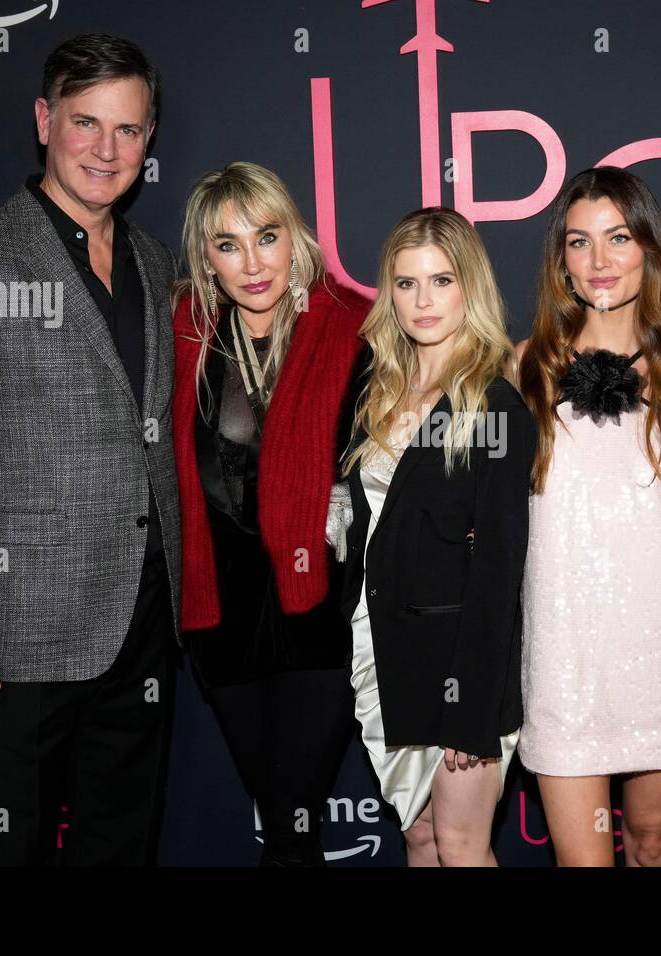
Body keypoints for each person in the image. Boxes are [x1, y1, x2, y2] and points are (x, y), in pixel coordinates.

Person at [0, 34, 181, 865]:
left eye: (127, 130)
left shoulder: (156, 263)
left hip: (141, 628)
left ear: (148, 137)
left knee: (121, 848)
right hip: (14, 642)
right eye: (85, 122)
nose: (105, 148)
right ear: (43, 120)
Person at [515, 167, 661, 867]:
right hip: (564, 658)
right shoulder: (523, 369)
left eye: (619, 237)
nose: (599, 260)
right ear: (562, 261)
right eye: (580, 242)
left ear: (650, 250)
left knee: (655, 844)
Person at [171, 162, 371, 866]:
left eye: (267, 236)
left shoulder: (353, 327)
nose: (252, 263)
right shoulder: (183, 336)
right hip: (221, 616)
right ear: (206, 257)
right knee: (288, 830)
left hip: (318, 614)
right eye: (228, 245)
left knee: (289, 829)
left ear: (296, 238)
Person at [340, 207, 536, 866]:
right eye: (406, 283)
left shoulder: (493, 403)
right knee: (419, 837)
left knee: (460, 845)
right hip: (384, 649)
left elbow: (501, 567)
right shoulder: (379, 389)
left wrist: (474, 706)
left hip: (460, 662)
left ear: (470, 287)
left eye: (442, 281)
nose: (422, 301)